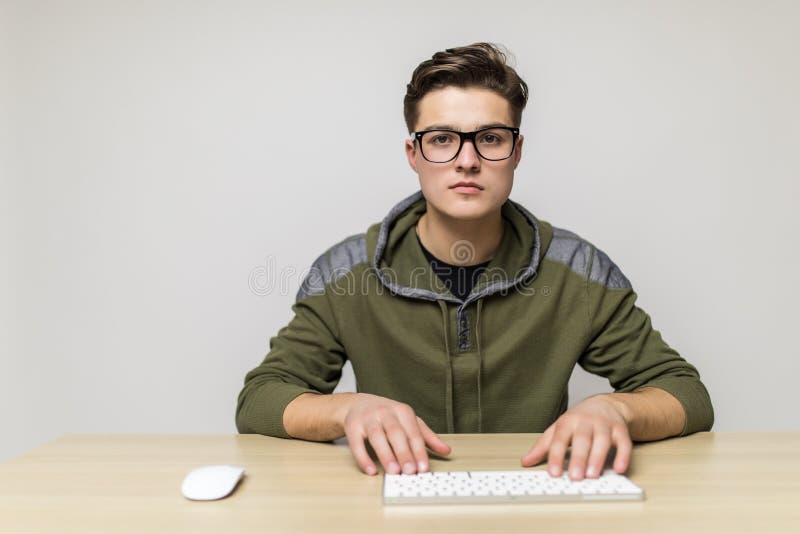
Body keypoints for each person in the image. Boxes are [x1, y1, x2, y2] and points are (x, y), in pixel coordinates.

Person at [236, 42, 714, 481]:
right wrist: (348, 410)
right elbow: (261, 398)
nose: (467, 160)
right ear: (413, 154)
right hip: (397, 503)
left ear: (516, 152)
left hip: (535, 498)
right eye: (442, 139)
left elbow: (685, 393)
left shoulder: (578, 269)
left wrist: (616, 410)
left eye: (489, 138)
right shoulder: (345, 272)